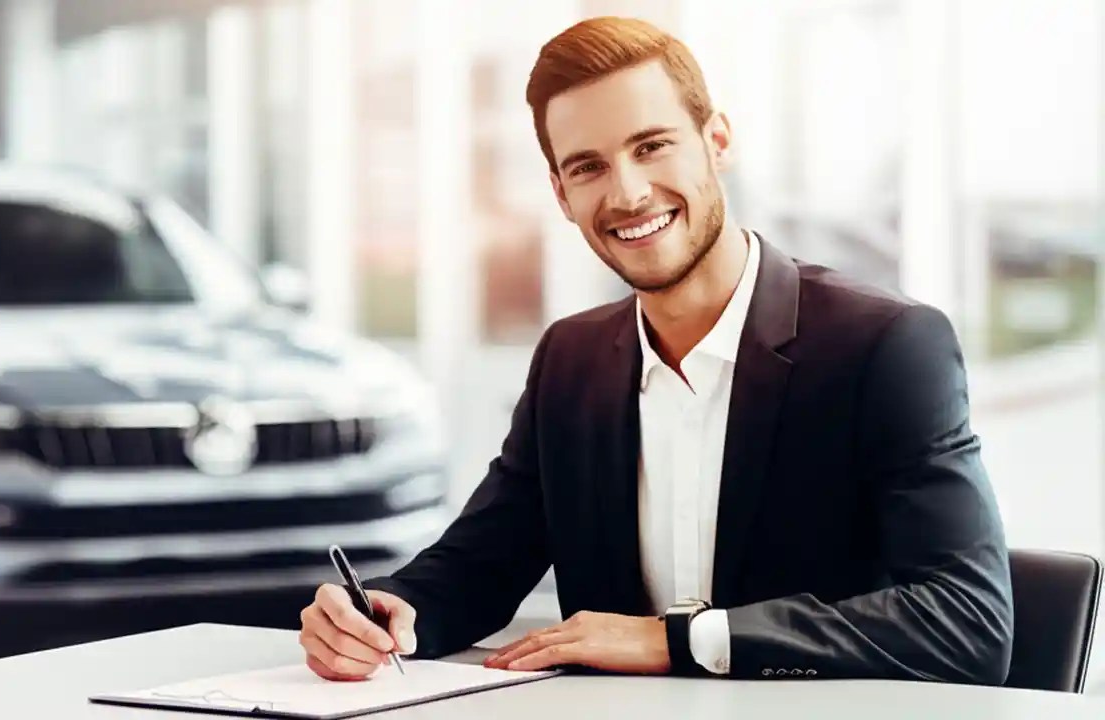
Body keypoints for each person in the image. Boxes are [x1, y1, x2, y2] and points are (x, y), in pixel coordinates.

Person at [297, 16, 1014, 684]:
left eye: (651, 146)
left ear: (718, 141)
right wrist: (387, 613)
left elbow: (968, 621)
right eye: (588, 167)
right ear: (560, 193)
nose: (629, 192)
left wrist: (680, 639)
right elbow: (478, 566)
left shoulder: (884, 346)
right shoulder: (570, 360)